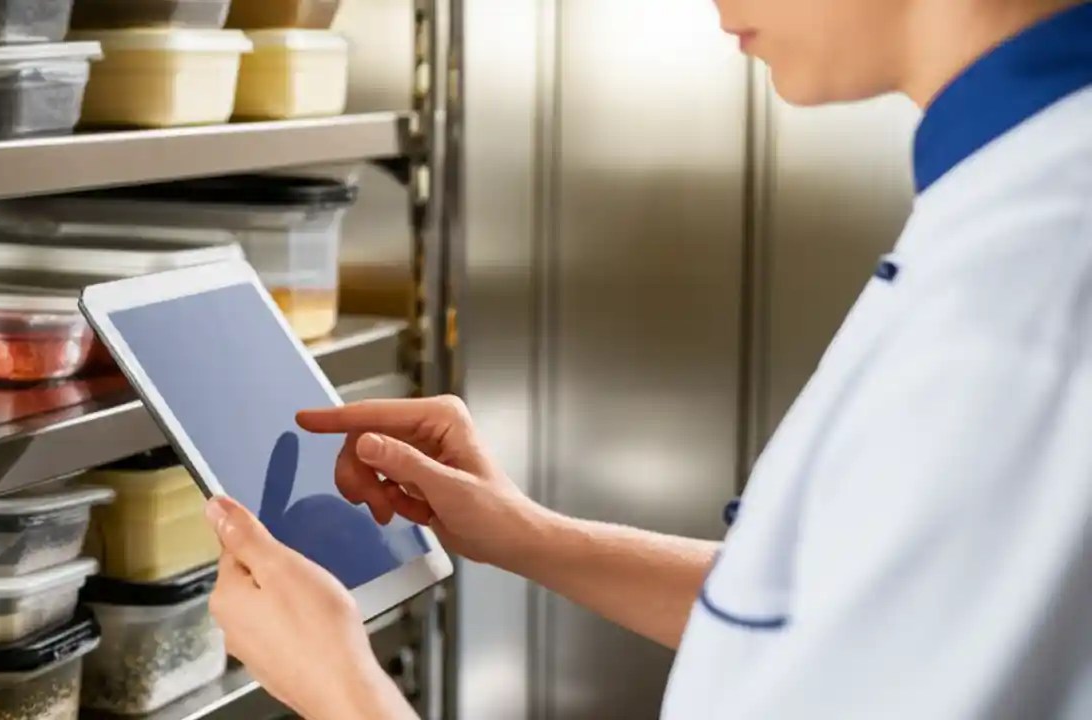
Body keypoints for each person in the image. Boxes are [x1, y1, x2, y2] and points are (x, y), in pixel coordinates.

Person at [203, 0, 1092, 717]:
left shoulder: (1029, 283)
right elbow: (875, 626)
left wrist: (341, 690)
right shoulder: (1013, 189)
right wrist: (529, 537)